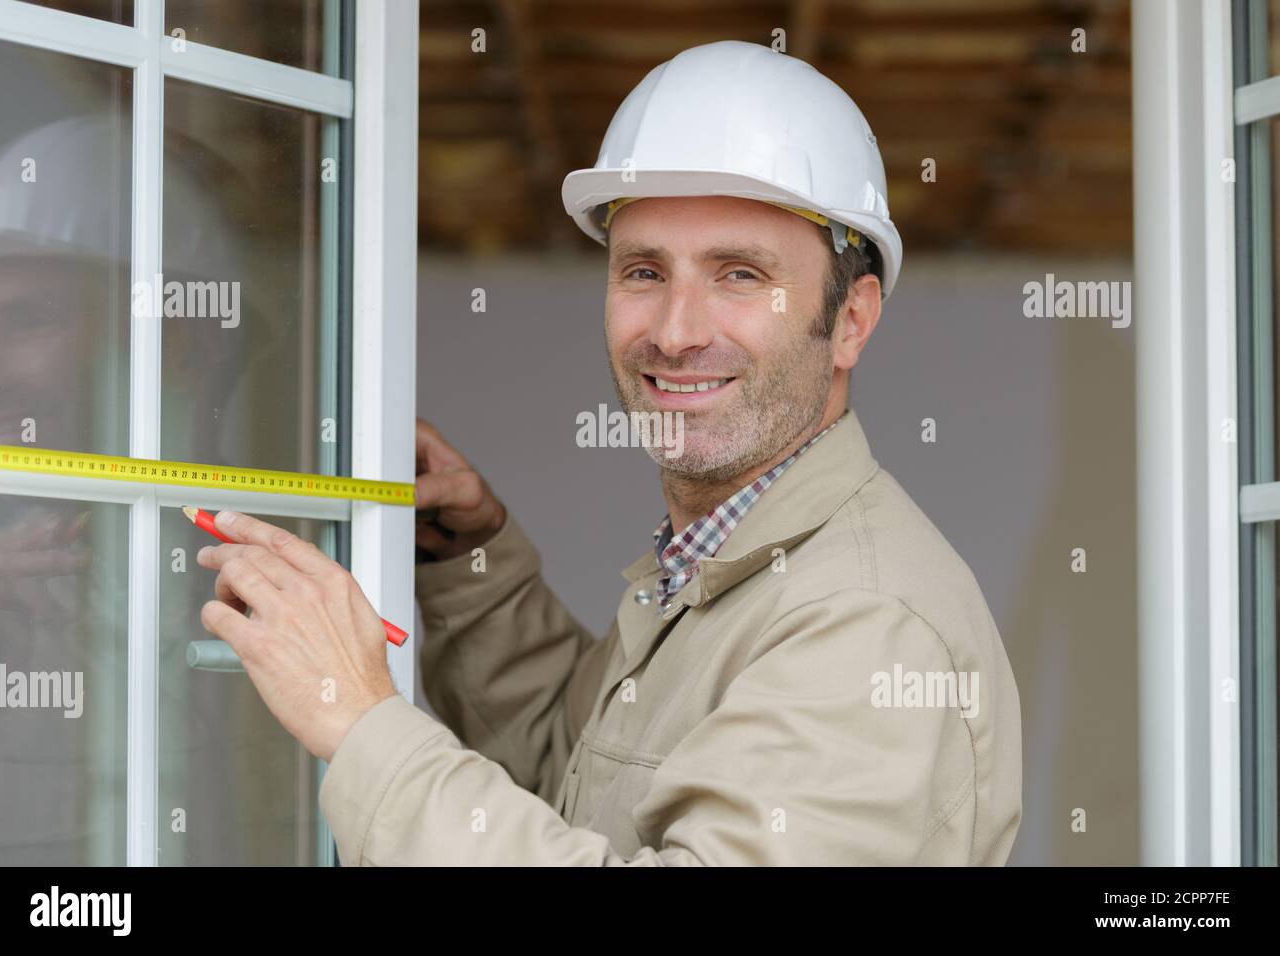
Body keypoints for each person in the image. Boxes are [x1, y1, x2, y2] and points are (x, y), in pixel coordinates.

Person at [197, 40, 1023, 865]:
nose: (674, 331)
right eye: (643, 272)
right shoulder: (725, 562)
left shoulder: (868, 626)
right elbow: (577, 787)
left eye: (739, 275)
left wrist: (363, 725)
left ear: (851, 320)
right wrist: (471, 569)